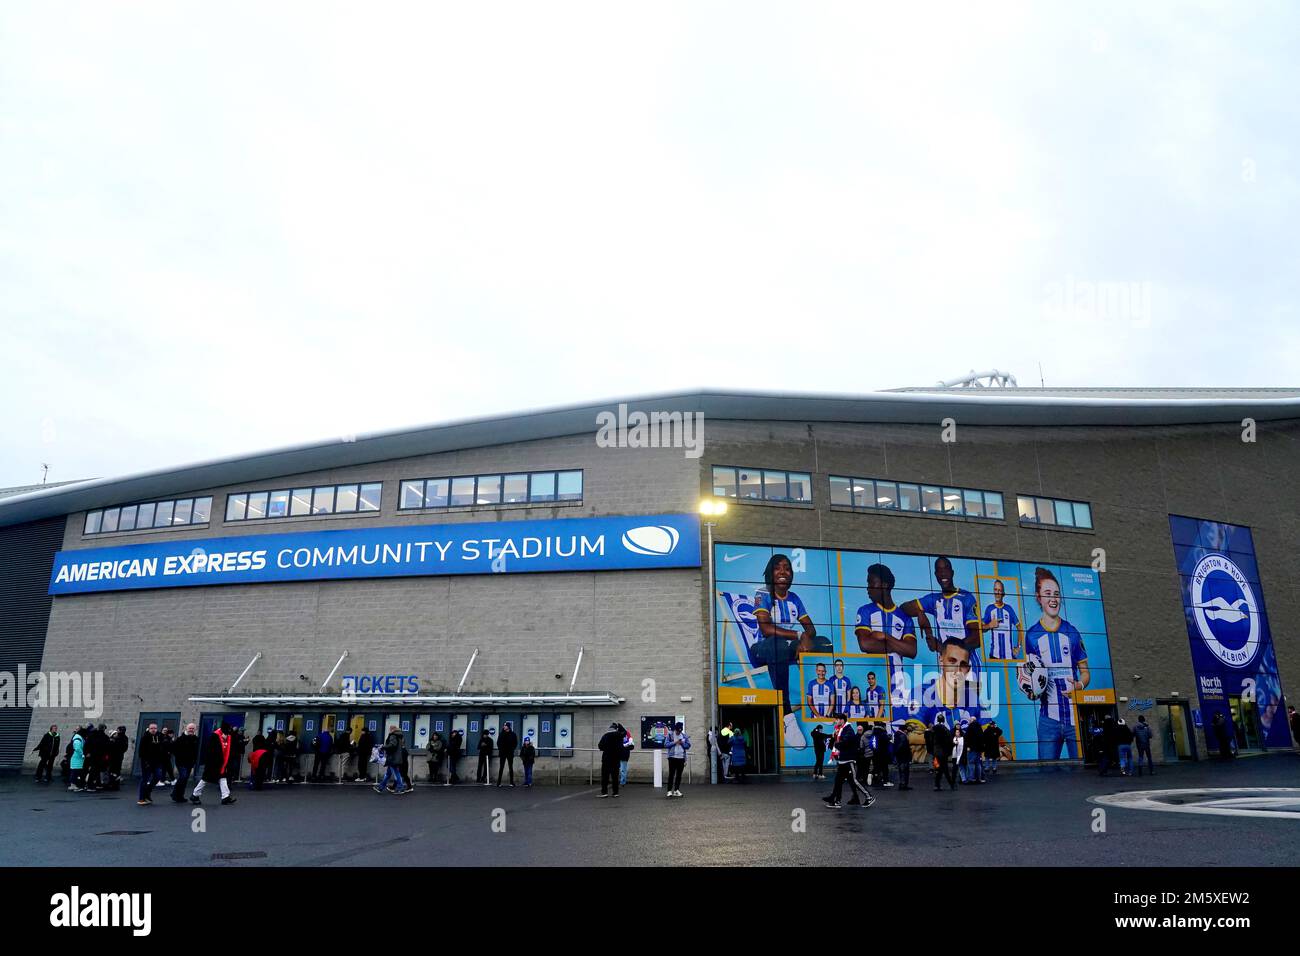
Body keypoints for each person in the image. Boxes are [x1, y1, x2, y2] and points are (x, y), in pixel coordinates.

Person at [751, 553, 824, 750]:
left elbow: (811, 629)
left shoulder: (794, 598)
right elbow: (766, 629)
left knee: (824, 643)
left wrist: (805, 639)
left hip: (787, 647)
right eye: (777, 567)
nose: (783, 571)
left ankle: (822, 697)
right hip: (763, 650)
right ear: (770, 573)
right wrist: (799, 636)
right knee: (778, 644)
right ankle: (786, 714)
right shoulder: (763, 593)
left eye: (787, 567)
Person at [1019, 567, 1090, 759]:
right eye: (1048, 594)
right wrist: (1031, 691)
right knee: (1047, 773)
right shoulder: (1032, 635)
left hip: (1075, 717)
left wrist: (1079, 685)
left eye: (1056, 594)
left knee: (1083, 769)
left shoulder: (1072, 632)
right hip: (1048, 720)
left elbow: (1085, 673)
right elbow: (1030, 673)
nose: (1053, 599)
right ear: (1038, 598)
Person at [822, 713, 874, 809]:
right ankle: (836, 800)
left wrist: (835, 743)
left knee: (854, 780)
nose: (836, 721)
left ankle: (869, 797)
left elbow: (844, 743)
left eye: (837, 720)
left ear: (842, 720)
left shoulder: (848, 730)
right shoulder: (841, 730)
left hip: (848, 760)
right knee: (838, 781)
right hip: (843, 760)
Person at [191, 721, 237, 805]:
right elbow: (210, 751)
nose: (228, 734)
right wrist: (212, 762)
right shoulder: (214, 736)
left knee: (223, 778)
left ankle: (225, 796)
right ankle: (195, 794)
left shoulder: (227, 736)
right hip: (213, 763)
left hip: (221, 763)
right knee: (205, 779)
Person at [374, 726, 411, 794]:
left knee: (397, 773)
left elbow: (392, 745)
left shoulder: (393, 735)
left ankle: (400, 788)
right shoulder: (399, 736)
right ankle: (380, 787)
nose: (389, 730)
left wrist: (383, 747)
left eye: (390, 729)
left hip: (393, 757)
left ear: (392, 730)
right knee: (388, 773)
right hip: (396, 757)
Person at [136, 722, 166, 806]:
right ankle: (141, 798)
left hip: (157, 762)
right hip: (147, 762)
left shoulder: (159, 737)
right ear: (149, 729)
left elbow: (162, 748)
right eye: (152, 728)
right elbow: (141, 751)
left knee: (158, 776)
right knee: (145, 779)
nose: (153, 730)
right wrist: (145, 762)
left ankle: (148, 792)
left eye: (155, 728)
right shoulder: (145, 737)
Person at [170, 723, 199, 802]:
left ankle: (179, 796)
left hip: (190, 763)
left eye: (193, 728)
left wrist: (194, 761)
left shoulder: (196, 739)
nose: (191, 730)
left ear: (195, 729)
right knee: (183, 777)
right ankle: (174, 794)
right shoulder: (180, 739)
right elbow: (174, 749)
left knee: (185, 779)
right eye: (190, 728)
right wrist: (180, 756)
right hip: (181, 762)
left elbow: (196, 752)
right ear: (186, 729)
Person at [931, 713, 956, 791]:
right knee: (945, 769)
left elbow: (930, 741)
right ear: (944, 720)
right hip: (943, 753)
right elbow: (949, 741)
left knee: (938, 769)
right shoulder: (946, 730)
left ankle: (937, 785)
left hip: (936, 753)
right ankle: (952, 785)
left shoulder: (933, 729)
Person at [598, 722, 623, 797]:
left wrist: (606, 748)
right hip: (616, 759)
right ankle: (615, 793)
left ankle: (604, 792)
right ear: (616, 729)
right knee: (615, 777)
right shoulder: (619, 736)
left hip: (606, 759)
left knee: (605, 776)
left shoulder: (605, 735)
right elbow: (621, 747)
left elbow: (600, 746)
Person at [665, 722, 690, 796]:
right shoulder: (670, 735)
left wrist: (682, 743)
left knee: (679, 775)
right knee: (671, 774)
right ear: (675, 729)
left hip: (681, 757)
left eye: (680, 731)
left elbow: (688, 746)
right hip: (672, 757)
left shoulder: (684, 736)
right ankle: (669, 791)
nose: (679, 732)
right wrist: (675, 742)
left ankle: (676, 790)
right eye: (678, 731)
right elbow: (666, 744)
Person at [497, 721, 519, 787]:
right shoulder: (501, 734)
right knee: (501, 767)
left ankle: (512, 782)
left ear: (508, 727)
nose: (504, 727)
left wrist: (512, 749)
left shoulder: (513, 734)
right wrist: (500, 749)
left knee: (510, 767)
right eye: (504, 726)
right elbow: (498, 743)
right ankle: (498, 782)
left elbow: (515, 743)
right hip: (503, 753)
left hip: (510, 753)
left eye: (505, 725)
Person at [108, 725, 129, 790]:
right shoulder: (125, 738)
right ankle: (116, 784)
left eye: (117, 730)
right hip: (120, 756)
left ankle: (112, 784)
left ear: (119, 730)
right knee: (117, 771)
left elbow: (112, 747)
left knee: (112, 771)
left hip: (114, 756)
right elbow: (125, 748)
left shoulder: (117, 738)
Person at [871, 723, 892, 788]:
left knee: (877, 767)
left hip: (875, 754)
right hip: (883, 754)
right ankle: (885, 781)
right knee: (884, 768)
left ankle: (876, 779)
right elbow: (887, 743)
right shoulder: (883, 734)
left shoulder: (874, 734)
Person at [965, 719, 985, 784]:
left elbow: (967, 737)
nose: (969, 721)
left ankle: (971, 778)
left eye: (970, 720)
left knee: (971, 763)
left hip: (972, 748)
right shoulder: (979, 727)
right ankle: (978, 779)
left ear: (972, 720)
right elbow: (982, 738)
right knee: (978, 764)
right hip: (979, 749)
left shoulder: (970, 727)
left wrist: (968, 746)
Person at [67, 725, 87, 792]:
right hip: (77, 758)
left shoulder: (77, 737)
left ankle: (73, 785)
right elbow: (77, 748)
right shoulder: (78, 738)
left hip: (76, 758)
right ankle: (73, 785)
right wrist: (82, 754)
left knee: (74, 771)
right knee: (75, 772)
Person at [892, 724, 912, 790]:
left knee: (901, 771)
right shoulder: (903, 736)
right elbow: (902, 746)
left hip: (899, 756)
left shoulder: (896, 734)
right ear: (904, 730)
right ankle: (904, 785)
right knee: (904, 771)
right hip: (904, 756)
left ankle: (901, 784)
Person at [951, 722, 966, 788]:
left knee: (961, 766)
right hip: (954, 754)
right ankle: (953, 780)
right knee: (955, 767)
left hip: (961, 754)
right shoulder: (952, 736)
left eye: (959, 725)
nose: (958, 726)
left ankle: (962, 778)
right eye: (957, 725)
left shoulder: (963, 737)